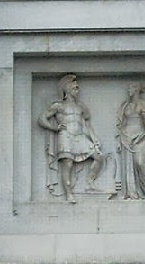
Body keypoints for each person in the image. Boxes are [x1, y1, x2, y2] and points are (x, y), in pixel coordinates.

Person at [36, 73, 105, 202]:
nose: (77, 90)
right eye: (74, 88)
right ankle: (68, 193)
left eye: (77, 88)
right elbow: (41, 118)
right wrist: (54, 128)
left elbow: (86, 124)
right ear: (67, 89)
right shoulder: (58, 105)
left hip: (80, 136)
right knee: (67, 164)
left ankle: (90, 182)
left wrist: (94, 138)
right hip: (65, 136)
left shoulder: (81, 106)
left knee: (98, 156)